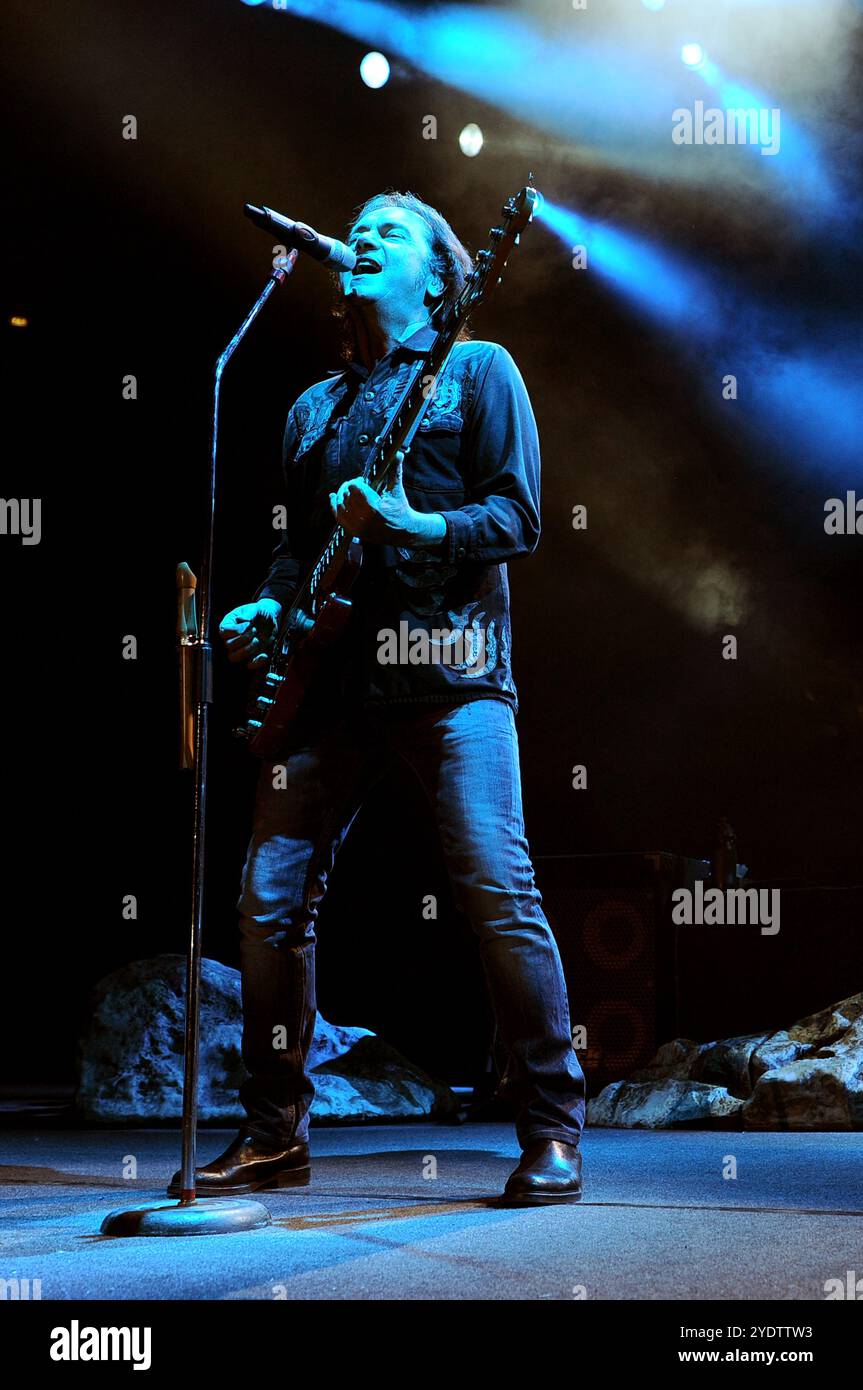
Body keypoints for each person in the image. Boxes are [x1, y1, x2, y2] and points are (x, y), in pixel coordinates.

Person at [168, 190, 586, 1205]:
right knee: (268, 905)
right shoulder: (311, 406)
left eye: (387, 230)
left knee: (495, 881)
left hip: (450, 673)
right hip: (326, 685)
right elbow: (295, 548)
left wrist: (411, 521)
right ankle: (275, 1131)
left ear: (440, 273)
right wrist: (266, 609)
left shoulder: (477, 372)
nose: (360, 238)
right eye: (355, 230)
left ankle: (550, 1127)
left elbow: (518, 515)